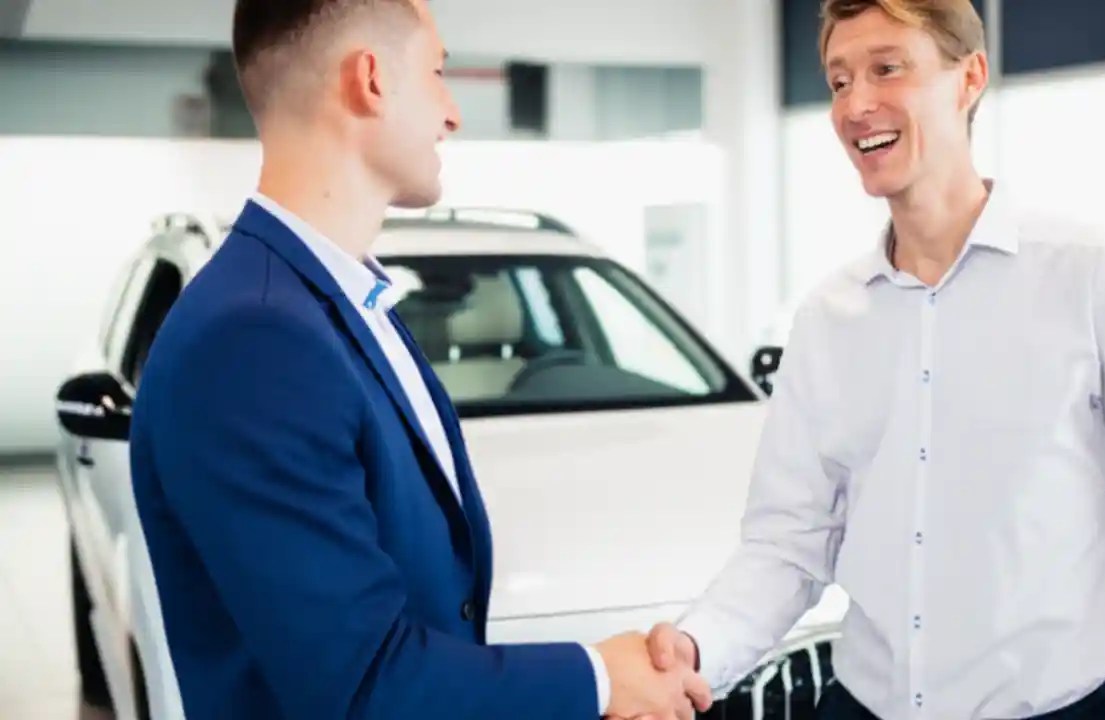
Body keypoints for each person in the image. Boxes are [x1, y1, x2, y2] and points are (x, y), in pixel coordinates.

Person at [644, 1, 1105, 718]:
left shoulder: (1095, 276)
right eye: (838, 81)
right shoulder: (828, 318)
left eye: (886, 68)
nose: (855, 104)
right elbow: (786, 545)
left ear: (970, 78)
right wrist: (695, 647)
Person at [128, 1, 712, 718]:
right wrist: (597, 679)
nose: (452, 113)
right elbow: (364, 685)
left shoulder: (341, 304)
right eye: (437, 74)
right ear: (370, 80)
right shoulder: (254, 340)